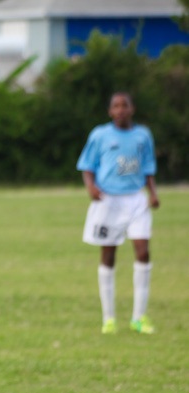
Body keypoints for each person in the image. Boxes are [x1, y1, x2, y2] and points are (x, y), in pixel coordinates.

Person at [77, 92, 160, 335]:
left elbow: (147, 168)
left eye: (125, 105)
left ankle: (139, 317)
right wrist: (91, 188)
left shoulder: (143, 135)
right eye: (116, 105)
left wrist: (153, 193)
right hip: (108, 201)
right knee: (109, 254)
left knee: (143, 251)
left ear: (132, 109)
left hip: (136, 200)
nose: (121, 109)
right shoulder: (100, 135)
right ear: (110, 111)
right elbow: (87, 165)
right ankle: (109, 318)